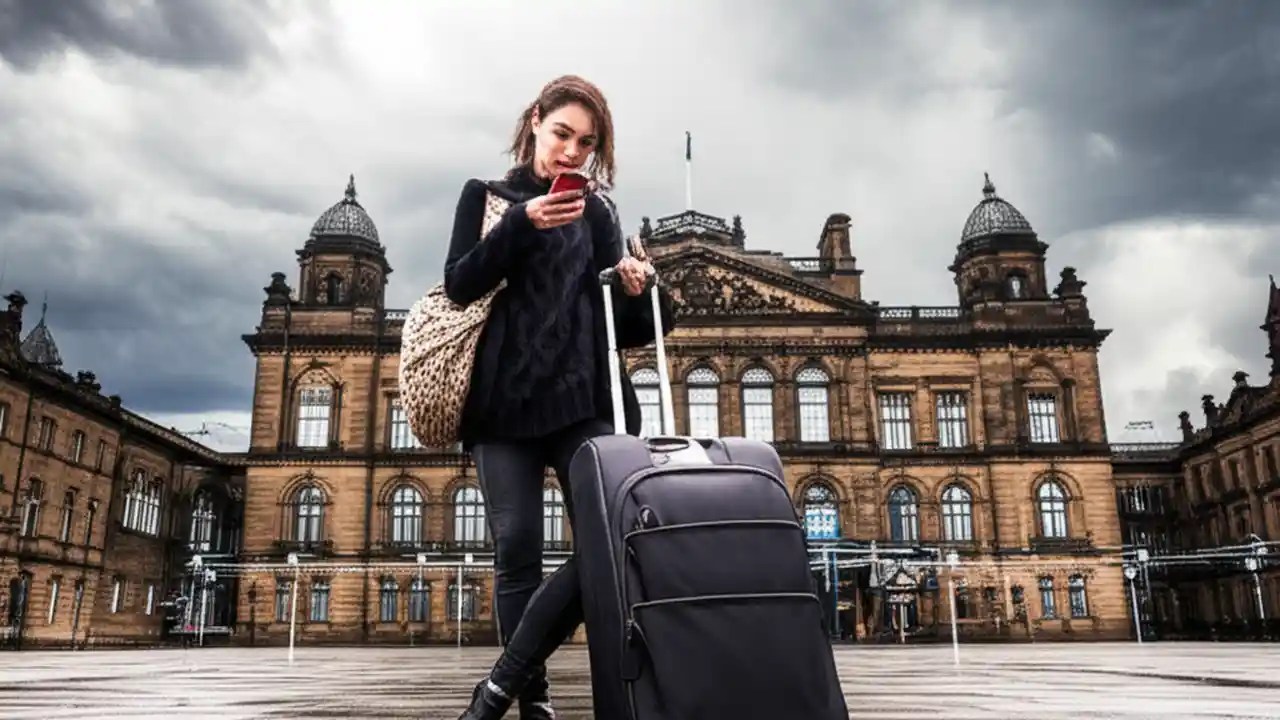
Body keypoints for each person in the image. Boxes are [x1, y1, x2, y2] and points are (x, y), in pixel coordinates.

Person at [441, 75, 675, 720]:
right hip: (502, 405)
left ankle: (497, 687)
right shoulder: (487, 197)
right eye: (562, 134)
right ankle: (533, 701)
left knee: (611, 537)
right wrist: (520, 223)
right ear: (536, 122)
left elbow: (622, 329)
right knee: (516, 552)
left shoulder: (598, 213)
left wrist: (636, 287)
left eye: (587, 143)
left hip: (582, 399)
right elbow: (459, 285)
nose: (572, 153)